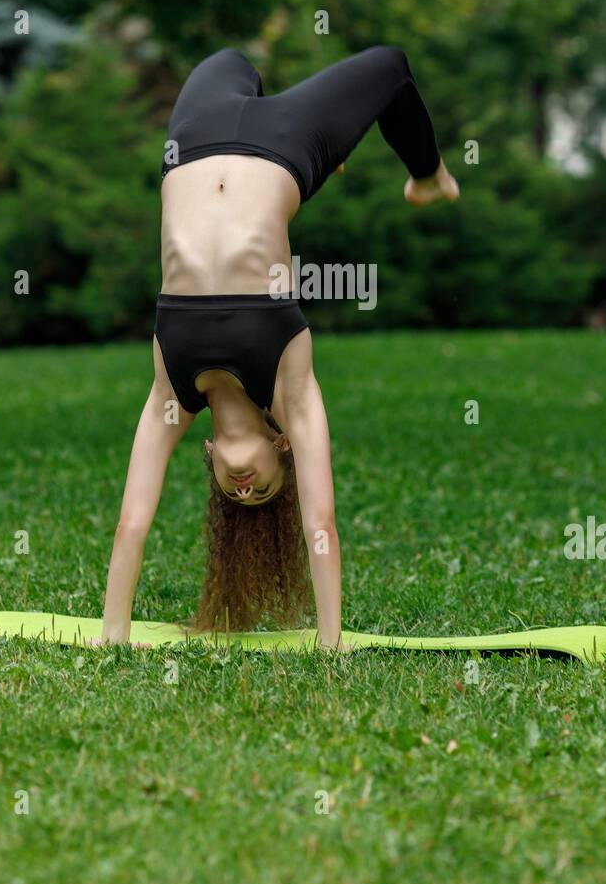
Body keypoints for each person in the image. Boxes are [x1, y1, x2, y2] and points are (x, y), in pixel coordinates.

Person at [94, 45, 459, 650]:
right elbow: (321, 524)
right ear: (280, 447)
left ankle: (329, 144)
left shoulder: (172, 395)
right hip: (282, 148)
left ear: (209, 454)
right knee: (391, 65)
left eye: (231, 491)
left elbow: (132, 522)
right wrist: (329, 640)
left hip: (196, 140)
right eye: (260, 489)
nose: (243, 486)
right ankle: (430, 178)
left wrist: (114, 634)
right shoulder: (291, 391)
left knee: (230, 58)